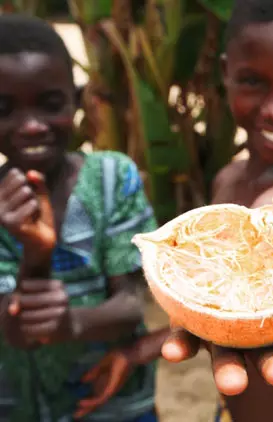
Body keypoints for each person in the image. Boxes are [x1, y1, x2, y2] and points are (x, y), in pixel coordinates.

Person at [81, 0, 273, 420]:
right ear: (224, 74)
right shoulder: (228, 179)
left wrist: (262, 229)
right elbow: (218, 297)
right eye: (253, 81)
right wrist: (144, 347)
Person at [0, 14, 159, 422]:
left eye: (50, 105)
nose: (31, 126)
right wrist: (35, 253)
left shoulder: (110, 180)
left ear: (78, 100)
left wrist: (70, 323)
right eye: (5, 109)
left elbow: (130, 306)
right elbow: (16, 330)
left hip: (115, 406)